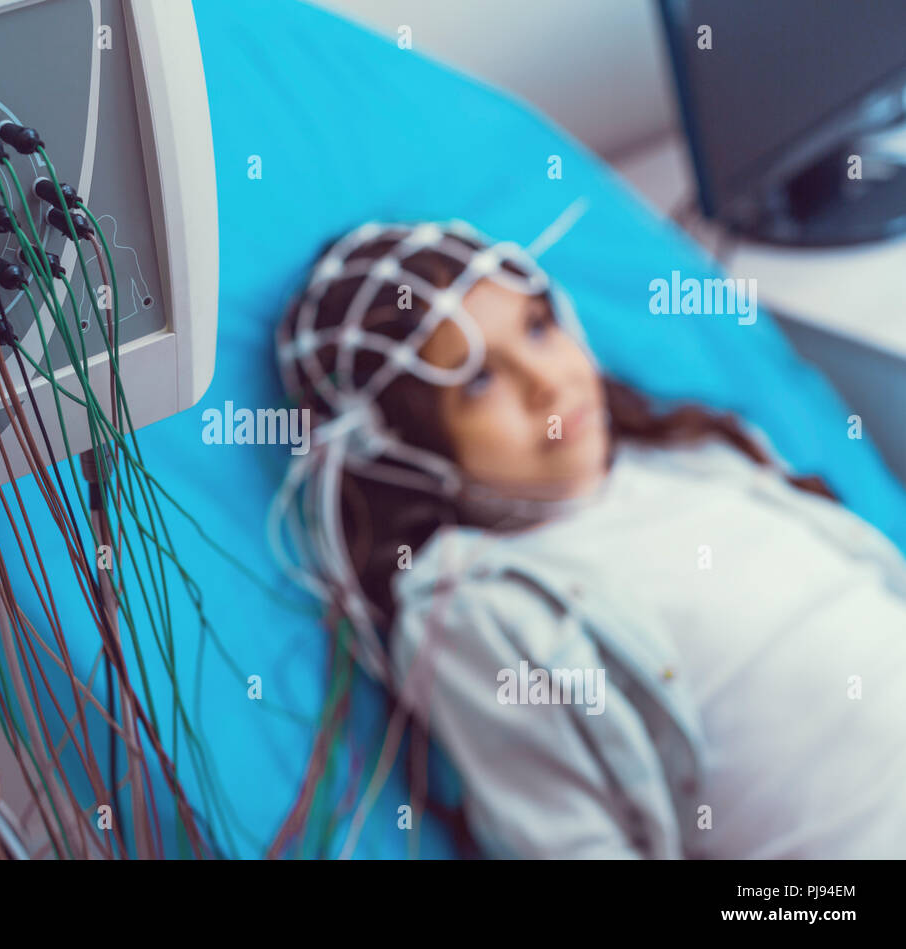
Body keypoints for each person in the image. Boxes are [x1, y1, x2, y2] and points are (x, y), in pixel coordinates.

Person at [270, 217, 906, 858]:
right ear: (399, 451)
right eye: (480, 381)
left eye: (539, 328)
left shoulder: (689, 454)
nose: (546, 381)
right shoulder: (480, 609)